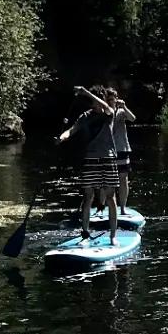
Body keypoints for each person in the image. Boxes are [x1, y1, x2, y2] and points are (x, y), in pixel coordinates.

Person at [57, 86, 119, 242]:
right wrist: (61, 138)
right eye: (94, 102)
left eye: (100, 100)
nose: (98, 104)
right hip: (90, 159)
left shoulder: (109, 112)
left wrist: (85, 92)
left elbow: (105, 107)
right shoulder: (85, 116)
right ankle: (85, 233)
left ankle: (113, 236)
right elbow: (72, 130)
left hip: (108, 158)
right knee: (88, 197)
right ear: (91, 103)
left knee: (110, 198)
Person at [107, 87, 136, 211]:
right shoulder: (104, 112)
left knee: (123, 179)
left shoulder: (121, 111)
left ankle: (123, 207)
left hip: (122, 148)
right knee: (108, 181)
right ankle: (106, 206)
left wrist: (124, 107)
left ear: (116, 99)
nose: (110, 102)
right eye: (108, 100)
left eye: (112, 99)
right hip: (107, 150)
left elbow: (132, 118)